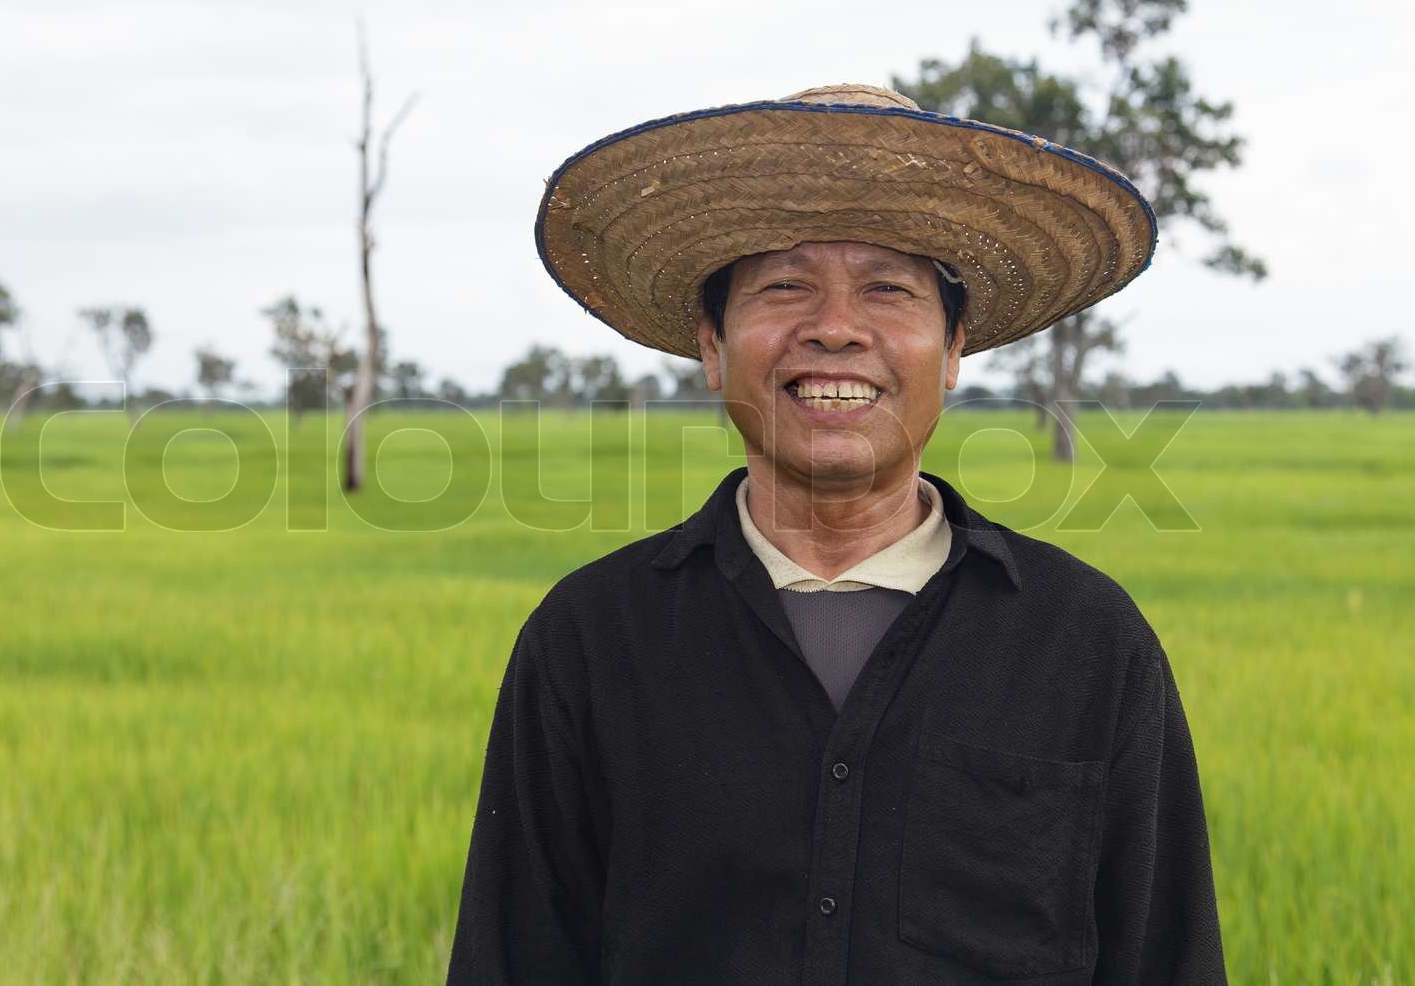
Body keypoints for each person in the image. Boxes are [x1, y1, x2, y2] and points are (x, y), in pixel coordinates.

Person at [446, 84, 1226, 984]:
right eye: (785, 286)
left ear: (953, 348)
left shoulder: (1087, 641)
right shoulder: (588, 638)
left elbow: (1166, 957)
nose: (836, 329)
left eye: (889, 289)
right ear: (711, 343)